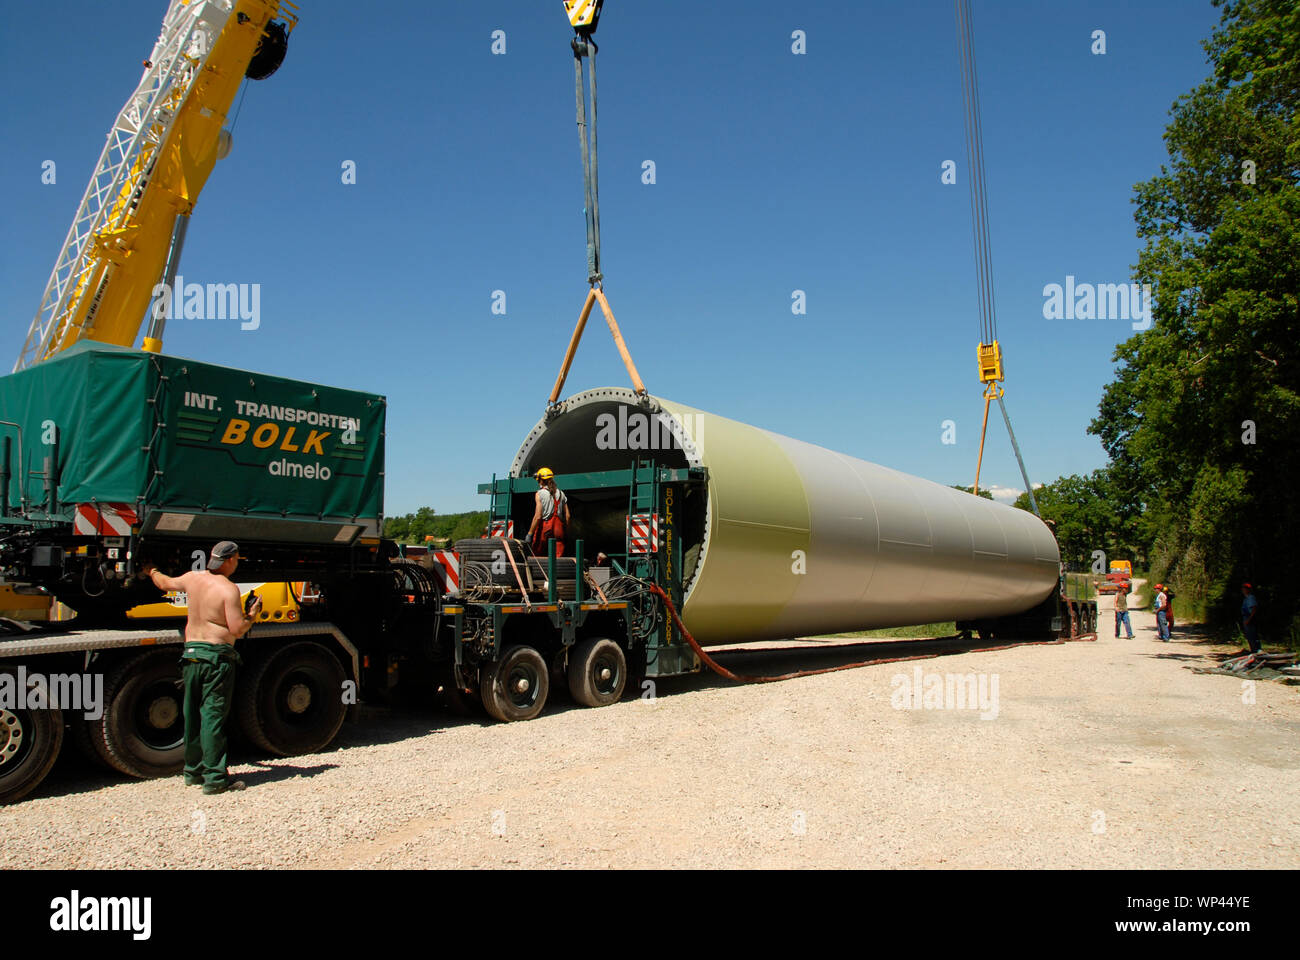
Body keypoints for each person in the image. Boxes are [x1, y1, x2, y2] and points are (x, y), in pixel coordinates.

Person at [142, 540, 261, 795]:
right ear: (228, 560)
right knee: (212, 718)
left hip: (190, 655)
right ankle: (215, 779)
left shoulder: (192, 578)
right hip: (215, 658)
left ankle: (192, 772)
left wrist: (151, 570)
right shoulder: (228, 590)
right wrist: (253, 614)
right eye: (237, 559)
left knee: (192, 716)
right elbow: (237, 629)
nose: (237, 563)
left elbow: (164, 583)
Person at [525, 467, 570, 557]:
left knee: (537, 556)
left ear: (541, 480)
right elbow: (568, 516)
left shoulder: (539, 493)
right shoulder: (561, 493)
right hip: (558, 529)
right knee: (558, 559)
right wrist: (566, 532)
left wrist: (529, 533)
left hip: (545, 528)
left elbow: (538, 516)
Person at [1241, 583, 1260, 654]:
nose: (1244, 589)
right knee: (1249, 637)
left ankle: (1256, 652)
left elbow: (1254, 609)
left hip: (1250, 619)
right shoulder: (1246, 598)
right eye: (1243, 588)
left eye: (1245, 588)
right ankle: (1253, 651)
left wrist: (1249, 619)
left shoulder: (1250, 598)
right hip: (1246, 618)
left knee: (1253, 637)